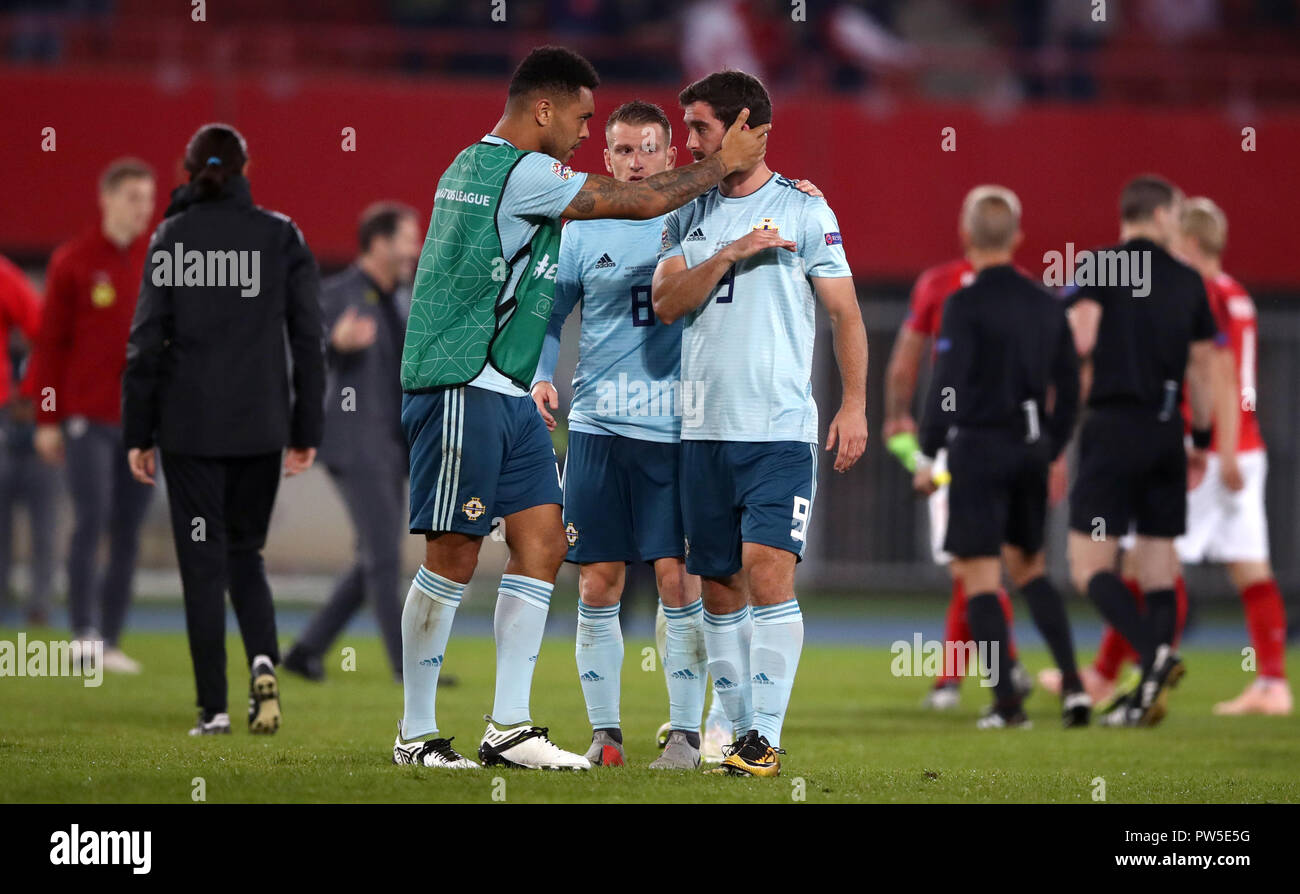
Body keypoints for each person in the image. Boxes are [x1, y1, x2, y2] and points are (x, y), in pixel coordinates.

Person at [393, 45, 769, 771]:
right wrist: (725, 162)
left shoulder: (474, 166)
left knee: (542, 546)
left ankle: (507, 728)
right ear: (542, 110)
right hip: (462, 384)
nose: (581, 135)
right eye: (581, 119)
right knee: (454, 555)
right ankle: (416, 734)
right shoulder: (523, 170)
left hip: (504, 390)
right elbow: (644, 199)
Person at [652, 69, 869, 776]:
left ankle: (765, 738)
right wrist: (731, 251)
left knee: (768, 572)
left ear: (749, 128)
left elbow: (844, 313)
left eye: (701, 129)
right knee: (717, 584)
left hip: (777, 430)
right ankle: (743, 735)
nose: (689, 144)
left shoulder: (806, 209)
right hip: (702, 429)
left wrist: (855, 404)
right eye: (687, 130)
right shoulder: (689, 213)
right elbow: (668, 303)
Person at [122, 123, 325, 736]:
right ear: (247, 168)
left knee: (202, 568)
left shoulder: (172, 237)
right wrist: (305, 426)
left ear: (187, 170)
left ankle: (213, 709)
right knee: (245, 555)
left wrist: (138, 431)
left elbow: (144, 345)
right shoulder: (281, 235)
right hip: (260, 428)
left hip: (189, 432)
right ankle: (263, 661)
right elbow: (308, 340)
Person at [1052, 198, 1290, 716]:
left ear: (1193, 242)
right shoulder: (1238, 295)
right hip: (1243, 449)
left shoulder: (1194, 287)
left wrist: (1214, 446)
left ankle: (1120, 668)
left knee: (1141, 564)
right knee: (1249, 569)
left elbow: (1216, 372)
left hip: (1208, 448)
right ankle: (1272, 682)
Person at [913, 186, 1086, 729]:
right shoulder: (1045, 303)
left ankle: (1008, 705)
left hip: (979, 448)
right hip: (1030, 451)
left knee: (980, 576)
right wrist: (1051, 446)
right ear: (1017, 237)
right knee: (1032, 570)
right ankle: (1076, 690)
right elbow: (1070, 387)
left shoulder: (962, 304)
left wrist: (928, 451)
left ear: (966, 235)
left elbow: (948, 382)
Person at [1065, 175, 1218, 727]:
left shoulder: (1099, 266)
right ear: (1158, 216)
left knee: (1089, 566)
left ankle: (1153, 656)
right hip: (1165, 437)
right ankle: (1148, 686)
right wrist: (1200, 440)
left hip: (1112, 430)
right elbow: (1202, 369)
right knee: (1157, 570)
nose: (1179, 223)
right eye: (1176, 214)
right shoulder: (1188, 280)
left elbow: (1080, 338)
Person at [883, 187, 1037, 711]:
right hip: (1017, 441)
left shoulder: (940, 285)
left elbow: (907, 361)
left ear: (965, 231)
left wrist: (898, 417)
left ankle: (990, 673)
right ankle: (989, 671)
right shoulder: (1029, 294)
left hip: (956, 440)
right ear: (1017, 235)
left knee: (971, 562)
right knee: (983, 563)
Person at [26, 158, 156, 673]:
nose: (141, 208)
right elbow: (50, 345)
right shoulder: (73, 261)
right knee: (93, 518)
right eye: (131, 197)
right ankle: (82, 632)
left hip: (142, 423)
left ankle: (112, 640)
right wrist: (46, 418)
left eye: (147, 199)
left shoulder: (158, 262)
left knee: (128, 528)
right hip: (85, 416)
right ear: (105, 198)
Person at [284, 202, 421, 683]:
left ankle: (305, 650)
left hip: (392, 443)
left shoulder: (401, 299)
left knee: (373, 558)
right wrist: (332, 345)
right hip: (355, 443)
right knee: (384, 558)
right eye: (408, 238)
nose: (415, 248)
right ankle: (408, 669)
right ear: (379, 242)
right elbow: (300, 360)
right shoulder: (336, 293)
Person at [0, 254, 49, 625]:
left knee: (42, 527)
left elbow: (45, 337)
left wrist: (36, 398)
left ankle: (39, 606)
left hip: (32, 444)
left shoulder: (5, 277)